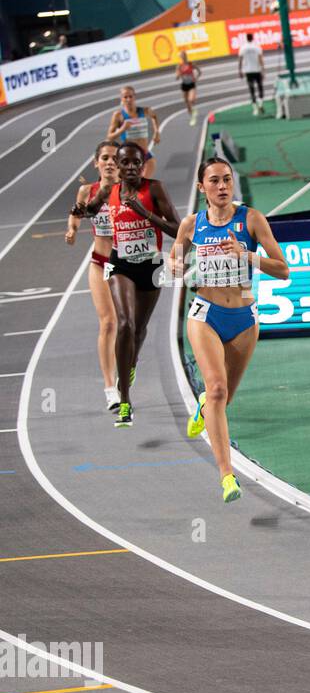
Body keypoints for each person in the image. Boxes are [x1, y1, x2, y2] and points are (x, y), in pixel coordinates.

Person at [174, 157, 288, 502]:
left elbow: (283, 270)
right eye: (214, 181)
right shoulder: (191, 225)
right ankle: (227, 475)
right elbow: (175, 263)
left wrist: (247, 255)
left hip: (244, 320)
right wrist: (176, 265)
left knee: (224, 399)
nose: (222, 187)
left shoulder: (251, 219)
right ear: (201, 188)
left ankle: (203, 406)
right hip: (205, 314)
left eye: (227, 180)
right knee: (219, 390)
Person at [72, 141, 180, 428]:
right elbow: (93, 209)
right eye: (125, 163)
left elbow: (179, 230)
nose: (131, 167)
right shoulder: (111, 190)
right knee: (124, 324)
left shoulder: (154, 188)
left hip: (151, 267)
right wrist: (82, 211)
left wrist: (147, 215)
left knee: (140, 329)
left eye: (136, 162)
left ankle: (129, 366)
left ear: (143, 164)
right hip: (121, 265)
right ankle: (125, 401)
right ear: (118, 167)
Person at [65, 140, 121, 413]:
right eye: (105, 158)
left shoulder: (130, 190)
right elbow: (76, 213)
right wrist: (73, 230)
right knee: (108, 323)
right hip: (100, 263)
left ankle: (125, 370)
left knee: (129, 326)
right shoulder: (87, 191)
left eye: (115, 158)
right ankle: (110, 388)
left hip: (127, 266)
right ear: (96, 163)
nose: (110, 162)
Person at [106, 86, 159, 179]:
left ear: (135, 96)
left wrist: (156, 132)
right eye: (125, 97)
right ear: (121, 99)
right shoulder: (118, 115)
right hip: (129, 156)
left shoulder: (145, 111)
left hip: (145, 154)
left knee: (144, 184)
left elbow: (154, 117)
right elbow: (109, 137)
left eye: (130, 96)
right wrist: (122, 129)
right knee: (130, 187)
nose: (128, 99)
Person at [237, 33, 265, 115]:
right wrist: (263, 70)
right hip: (257, 70)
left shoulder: (243, 48)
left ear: (246, 38)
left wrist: (240, 70)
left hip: (248, 71)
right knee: (260, 88)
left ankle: (255, 109)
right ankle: (260, 104)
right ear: (252, 38)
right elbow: (260, 59)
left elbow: (240, 60)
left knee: (251, 89)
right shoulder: (257, 47)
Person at [175, 51, 201, 126]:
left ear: (186, 56)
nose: (183, 57)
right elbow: (176, 77)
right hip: (184, 85)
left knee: (191, 100)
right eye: (181, 56)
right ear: (180, 57)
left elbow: (199, 72)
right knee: (187, 103)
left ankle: (194, 111)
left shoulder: (191, 64)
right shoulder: (179, 66)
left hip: (191, 84)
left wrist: (196, 77)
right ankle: (192, 116)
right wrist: (178, 75)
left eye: (184, 55)